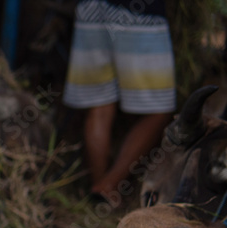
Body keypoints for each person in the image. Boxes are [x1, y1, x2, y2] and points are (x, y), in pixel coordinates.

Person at [63, 0, 175, 206]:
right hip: (138, 13)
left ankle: (99, 193)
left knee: (100, 105)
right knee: (161, 110)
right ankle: (109, 185)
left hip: (91, 10)